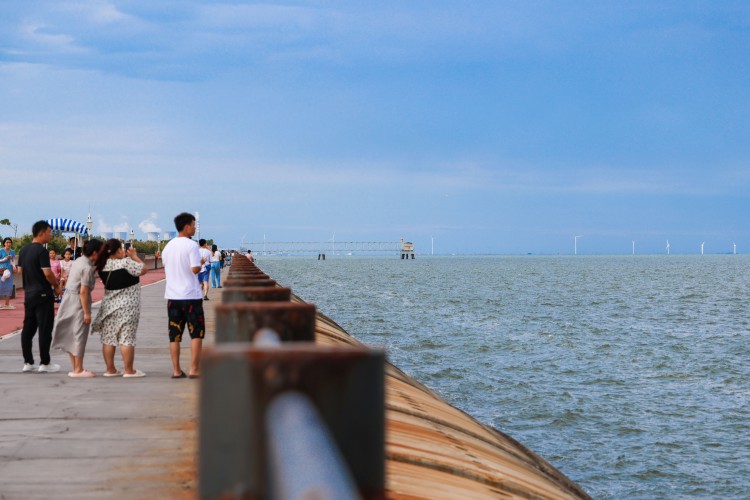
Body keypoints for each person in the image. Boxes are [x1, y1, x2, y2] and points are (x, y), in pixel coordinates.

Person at [92, 239, 148, 378]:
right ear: (117, 250)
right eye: (122, 249)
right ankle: (129, 370)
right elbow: (144, 270)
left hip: (109, 306)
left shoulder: (102, 265)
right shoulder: (126, 262)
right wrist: (134, 256)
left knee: (108, 339)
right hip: (128, 307)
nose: (124, 251)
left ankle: (110, 370)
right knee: (127, 338)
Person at [51, 239, 103, 378]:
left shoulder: (80, 260)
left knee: (70, 334)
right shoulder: (87, 267)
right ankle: (78, 369)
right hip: (78, 301)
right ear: (94, 253)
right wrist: (87, 312)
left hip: (68, 298)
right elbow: (84, 292)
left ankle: (75, 367)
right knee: (80, 334)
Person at [161, 212, 205, 379]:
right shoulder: (191, 245)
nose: (194, 228)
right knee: (196, 333)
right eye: (193, 225)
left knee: (175, 335)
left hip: (173, 297)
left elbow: (167, 264)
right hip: (191, 296)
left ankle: (176, 370)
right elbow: (194, 269)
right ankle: (194, 369)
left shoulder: (168, 246)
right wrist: (199, 264)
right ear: (186, 227)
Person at [18, 221, 63, 373]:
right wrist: (57, 286)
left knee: (28, 329)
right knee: (45, 329)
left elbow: (19, 271)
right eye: (49, 232)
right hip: (43, 294)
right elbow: (47, 273)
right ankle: (45, 362)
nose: (51, 235)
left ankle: (28, 362)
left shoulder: (24, 250)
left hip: (29, 294)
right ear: (41, 233)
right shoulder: (42, 251)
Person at [0, 237, 17, 310]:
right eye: (7, 242)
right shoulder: (0, 250)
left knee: (9, 287)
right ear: (4, 243)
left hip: (9, 270)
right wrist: (4, 259)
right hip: (2, 270)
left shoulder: (12, 251)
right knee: (0, 286)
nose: (8, 244)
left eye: (10, 242)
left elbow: (13, 260)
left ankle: (7, 304)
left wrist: (14, 267)